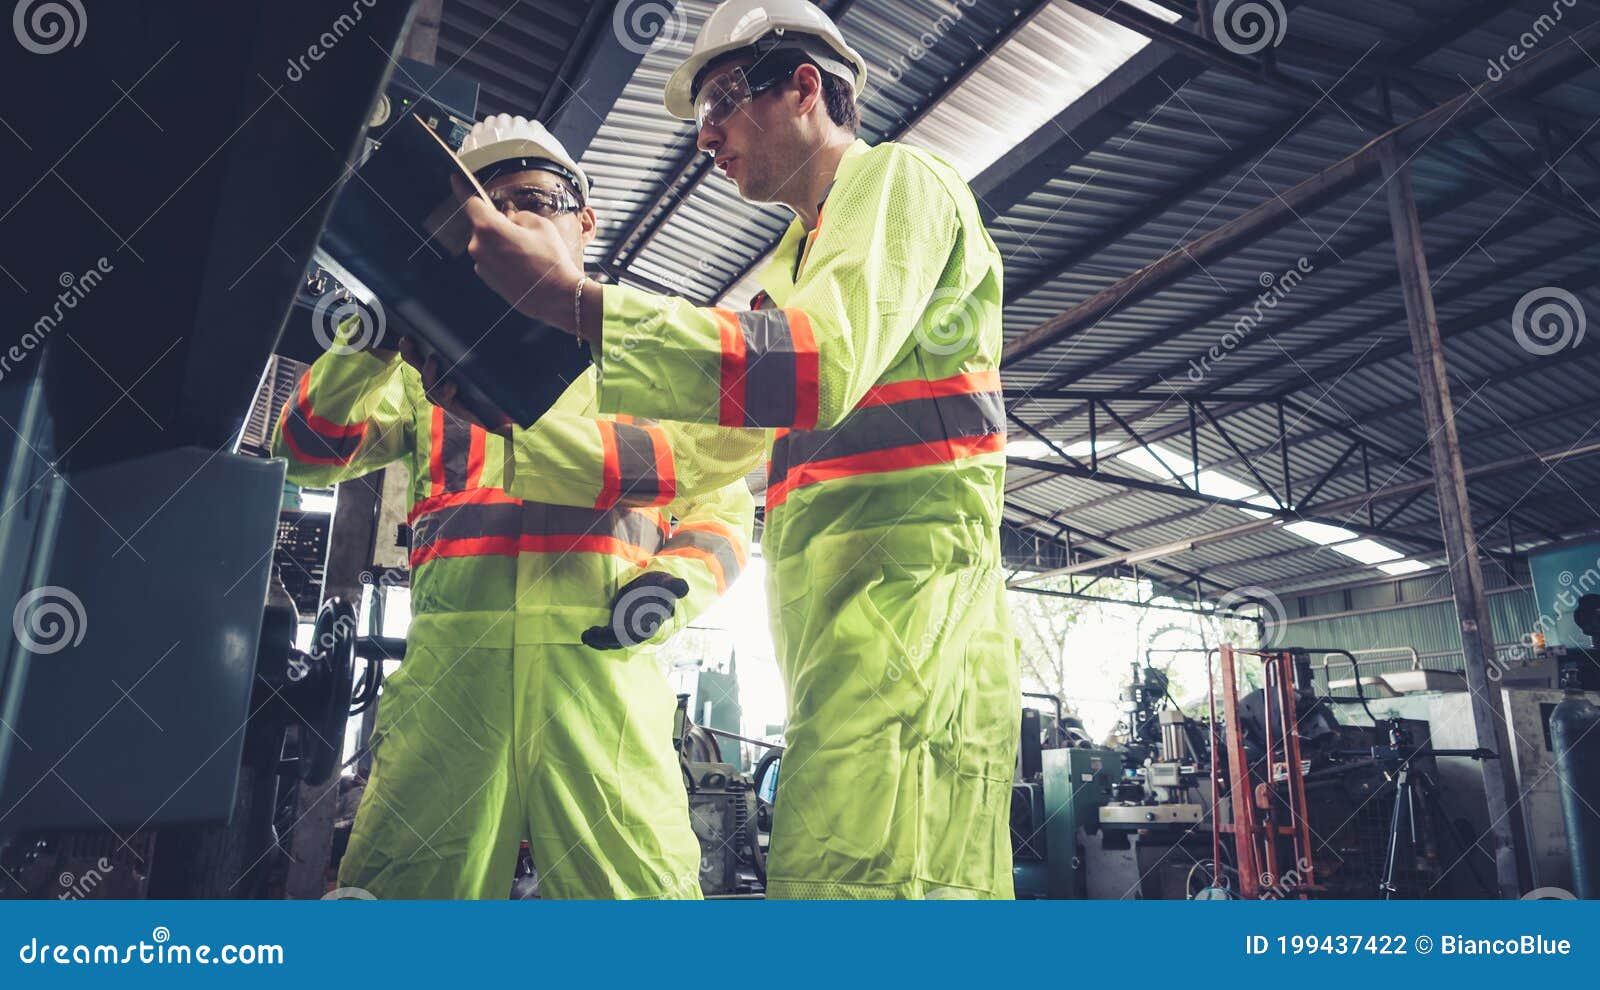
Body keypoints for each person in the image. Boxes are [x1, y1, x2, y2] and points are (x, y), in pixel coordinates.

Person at [456, 0, 1020, 899]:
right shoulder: (794, 263)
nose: (703, 136)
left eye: (720, 101)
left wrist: (580, 304)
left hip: (915, 631)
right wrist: (504, 412)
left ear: (805, 87)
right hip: (843, 641)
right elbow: (706, 452)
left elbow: (818, 364)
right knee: (837, 885)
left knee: (883, 896)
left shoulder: (902, 183)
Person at [275, 115, 754, 899]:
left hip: (602, 681)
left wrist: (671, 587)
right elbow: (303, 454)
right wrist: (371, 341)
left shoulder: (639, 353)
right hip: (449, 695)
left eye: (535, 197)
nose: (514, 218)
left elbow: (725, 505)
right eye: (492, 206)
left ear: (586, 222)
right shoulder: (415, 361)